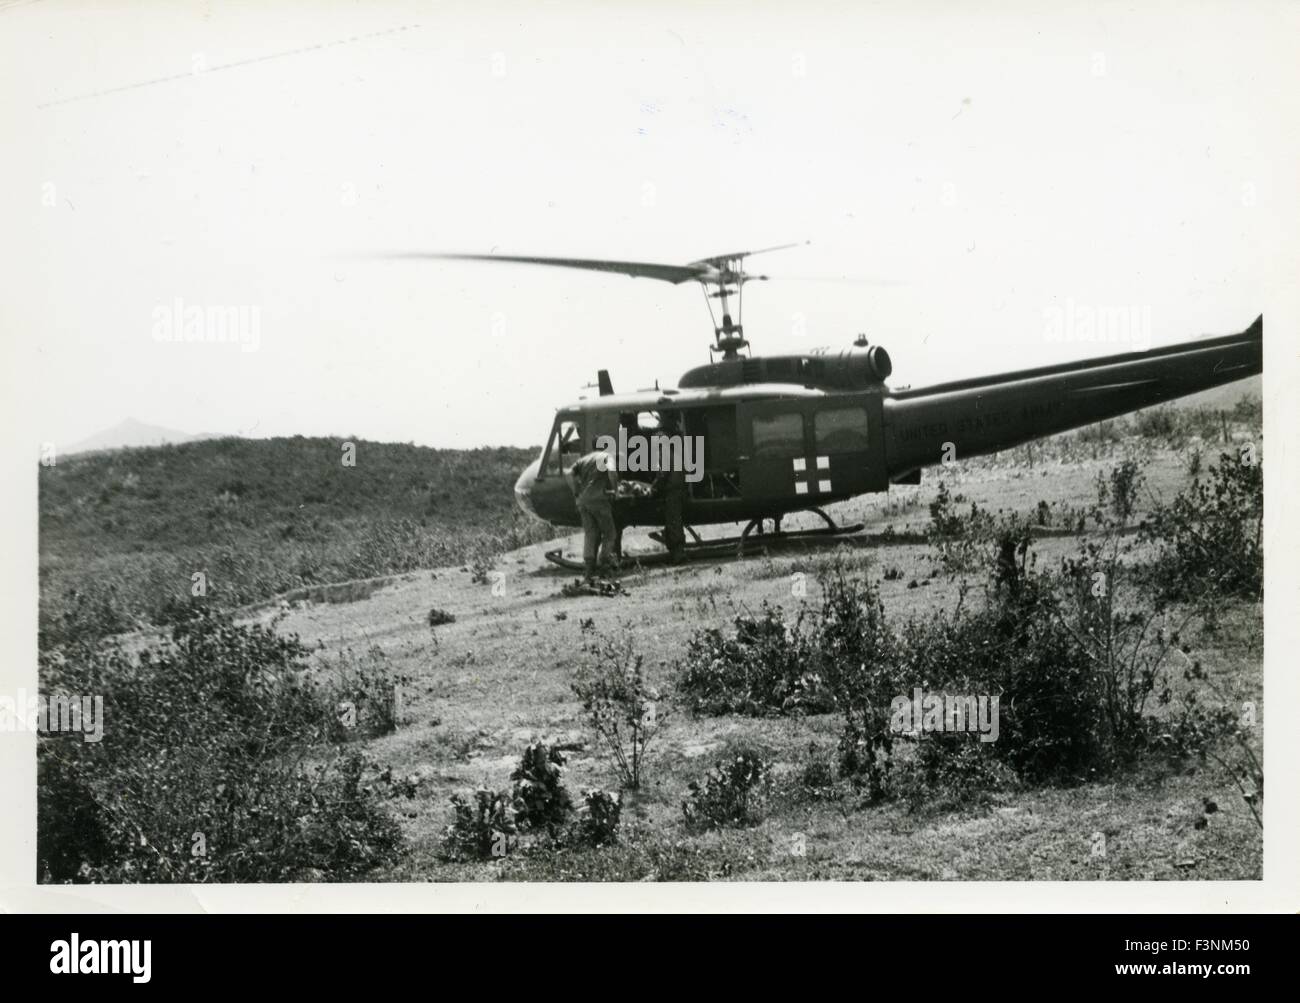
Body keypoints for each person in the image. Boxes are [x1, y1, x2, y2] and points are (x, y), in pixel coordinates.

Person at [569, 447, 620, 580]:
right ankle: (604, 566)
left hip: (583, 501)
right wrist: (615, 490)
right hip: (598, 500)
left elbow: (570, 474)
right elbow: (612, 473)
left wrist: (577, 493)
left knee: (590, 534)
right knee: (610, 534)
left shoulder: (584, 460)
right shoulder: (606, 457)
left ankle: (588, 570)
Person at [654, 412, 687, 563]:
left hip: (672, 488)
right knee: (674, 519)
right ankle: (677, 551)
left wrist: (655, 487)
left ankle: (678, 554)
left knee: (673, 519)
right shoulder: (673, 450)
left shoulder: (664, 451)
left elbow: (663, 472)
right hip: (677, 485)